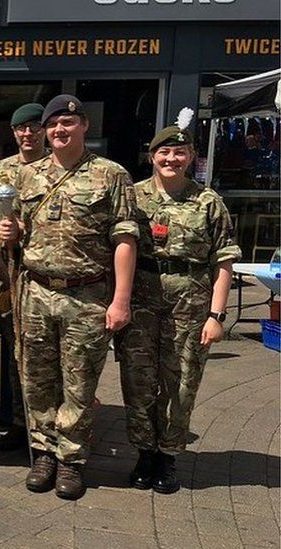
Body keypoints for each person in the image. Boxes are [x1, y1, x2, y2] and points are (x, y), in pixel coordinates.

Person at [0, 95, 139, 500]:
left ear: (84, 127)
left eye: (68, 122)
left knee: (79, 385)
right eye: (53, 124)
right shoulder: (28, 176)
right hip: (35, 292)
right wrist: (10, 234)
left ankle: (71, 461)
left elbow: (125, 239)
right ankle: (43, 452)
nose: (60, 130)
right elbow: (18, 232)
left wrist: (121, 300)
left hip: (88, 295)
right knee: (37, 380)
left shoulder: (111, 175)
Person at [115, 121, 241, 494]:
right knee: (138, 382)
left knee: (181, 383)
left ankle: (168, 457)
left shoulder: (208, 202)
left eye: (180, 152)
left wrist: (216, 316)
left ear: (191, 158)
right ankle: (143, 453)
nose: (172, 158)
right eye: (164, 152)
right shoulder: (133, 198)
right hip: (140, 304)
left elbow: (224, 262)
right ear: (152, 156)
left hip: (190, 304)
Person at [0, 103, 48, 452]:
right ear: (13, 133)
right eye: (21, 129)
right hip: (9, 272)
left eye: (34, 127)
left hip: (43, 271)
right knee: (13, 349)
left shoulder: (57, 167)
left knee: (45, 352)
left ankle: (47, 425)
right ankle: (18, 422)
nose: (28, 134)